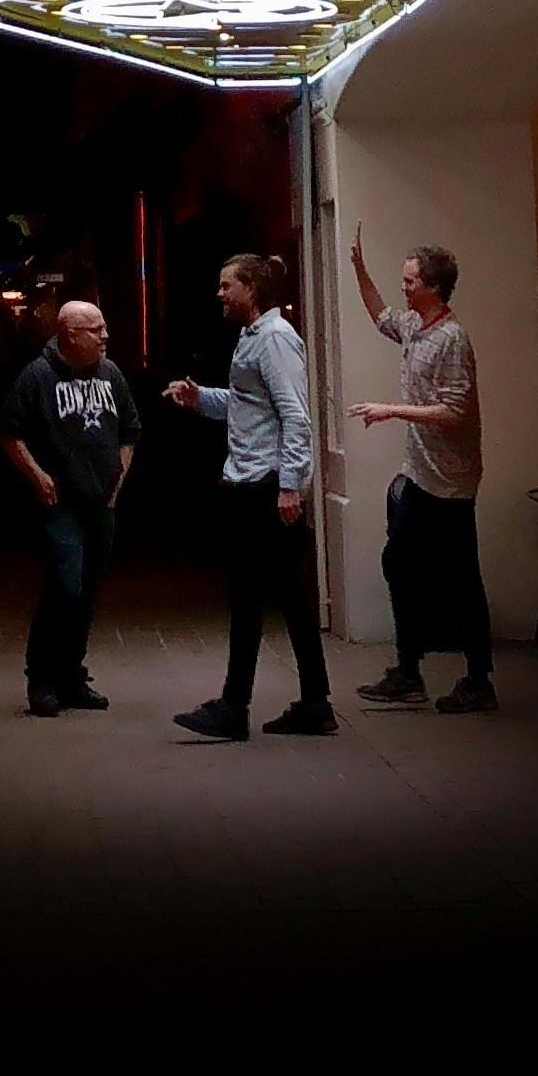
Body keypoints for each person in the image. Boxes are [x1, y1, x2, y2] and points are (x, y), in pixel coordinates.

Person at [164, 253, 334, 739]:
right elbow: (246, 406)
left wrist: (289, 486)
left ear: (251, 291)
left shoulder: (276, 340)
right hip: (253, 479)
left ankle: (234, 707)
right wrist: (202, 399)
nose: (219, 294)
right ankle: (315, 703)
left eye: (226, 286)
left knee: (246, 594)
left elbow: (296, 415)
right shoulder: (253, 337)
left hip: (262, 485)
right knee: (291, 597)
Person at [347, 226, 494, 710]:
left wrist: (394, 410)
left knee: (461, 578)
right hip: (417, 473)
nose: (403, 287)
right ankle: (408, 670)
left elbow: (455, 411)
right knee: (400, 564)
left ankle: (478, 680)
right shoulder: (414, 326)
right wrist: (360, 271)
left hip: (449, 482)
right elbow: (380, 316)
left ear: (433, 286)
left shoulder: (452, 339)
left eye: (410, 281)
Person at [0, 296, 142, 715]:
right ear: (70, 335)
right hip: (60, 500)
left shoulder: (110, 374)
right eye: (96, 330)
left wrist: (118, 481)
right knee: (67, 580)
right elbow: (10, 431)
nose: (105, 336)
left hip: (101, 500)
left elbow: (129, 430)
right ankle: (41, 677)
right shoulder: (38, 377)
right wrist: (37, 474)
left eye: (104, 328)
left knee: (87, 591)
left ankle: (71, 675)